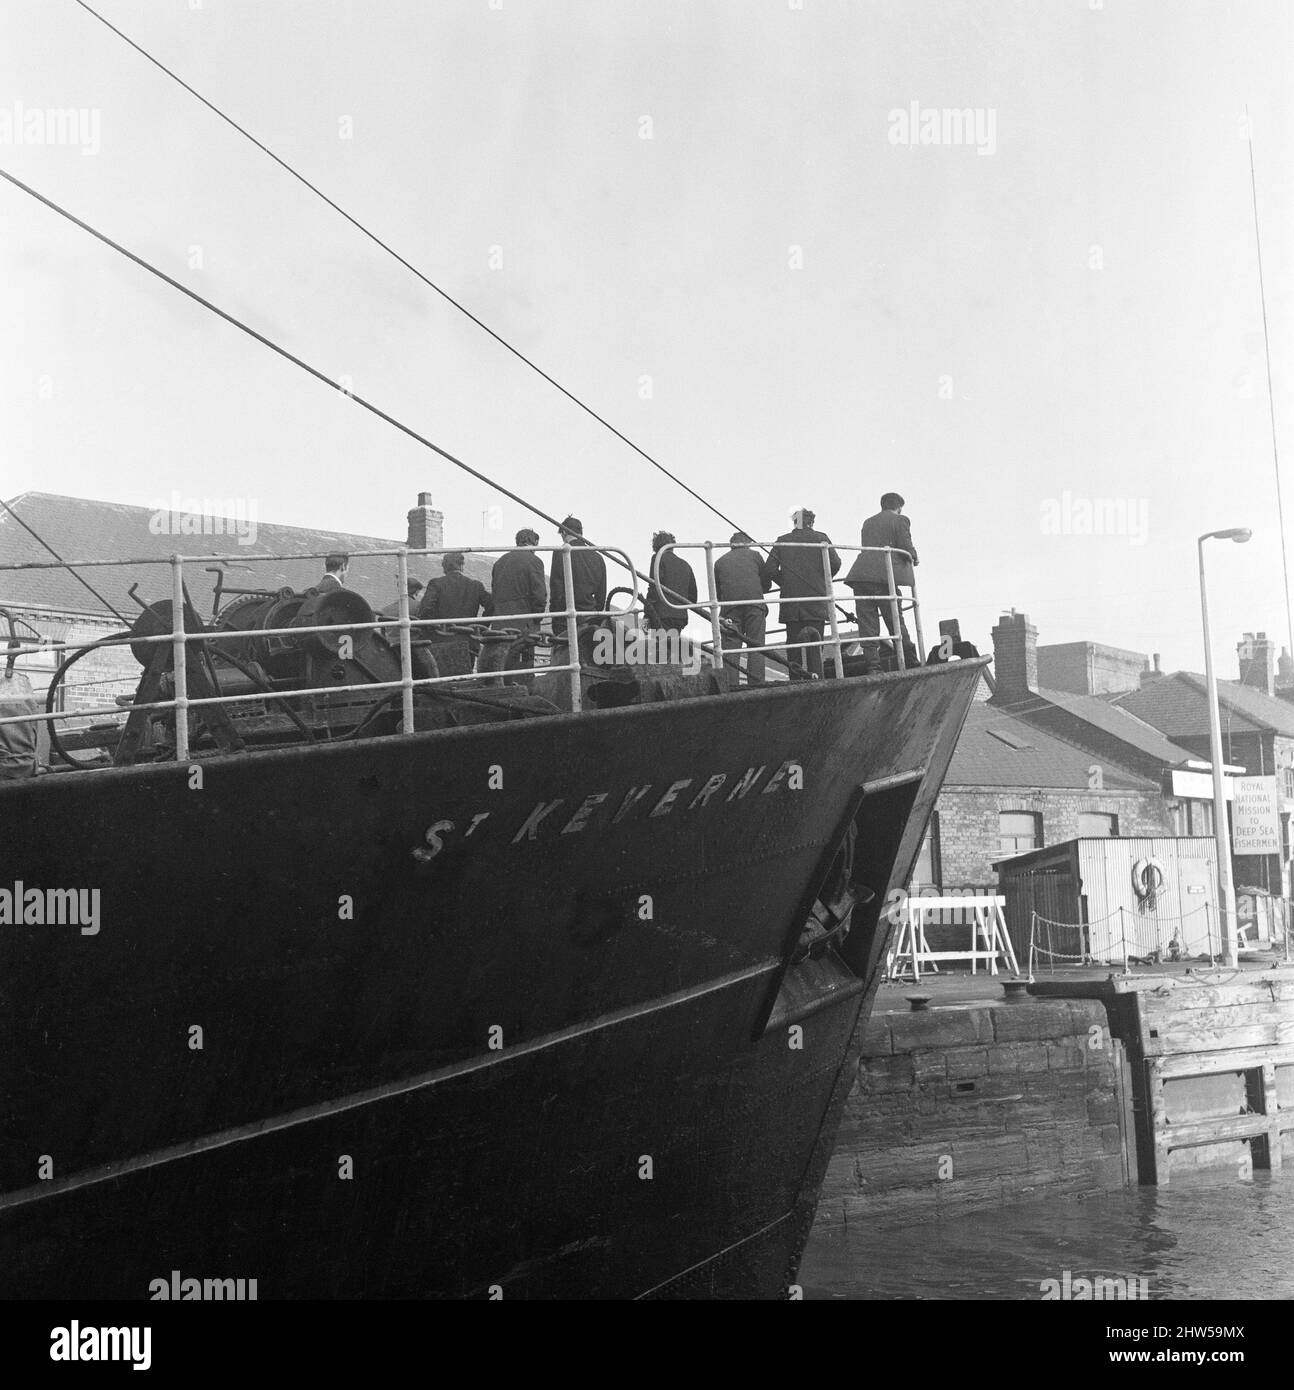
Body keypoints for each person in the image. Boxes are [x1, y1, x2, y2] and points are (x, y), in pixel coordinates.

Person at [844, 492, 919, 670]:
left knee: (867, 624)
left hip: (861, 576)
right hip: (884, 578)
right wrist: (914, 557)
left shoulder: (868, 522)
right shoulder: (900, 520)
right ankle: (909, 660)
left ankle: (873, 666)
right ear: (899, 507)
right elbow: (905, 545)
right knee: (895, 620)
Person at [762, 508, 839, 678]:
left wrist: (785, 582)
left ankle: (795, 680)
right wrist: (822, 579)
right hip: (816, 599)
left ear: (794, 523)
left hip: (792, 601)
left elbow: (769, 569)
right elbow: (835, 563)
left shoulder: (782, 541)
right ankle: (816, 677)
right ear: (811, 522)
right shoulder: (821, 538)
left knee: (794, 645)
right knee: (816, 641)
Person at [548, 515, 607, 666]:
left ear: (563, 533)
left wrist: (556, 615)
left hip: (566, 617)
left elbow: (557, 589)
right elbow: (602, 594)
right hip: (589, 616)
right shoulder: (597, 557)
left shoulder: (561, 553)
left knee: (565, 660)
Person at [490, 528, 547, 683]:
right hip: (524, 624)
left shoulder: (500, 562)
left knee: (502, 665)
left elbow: (494, 592)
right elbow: (539, 595)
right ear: (534, 542)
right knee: (524, 667)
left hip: (500, 623)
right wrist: (538, 616)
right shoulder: (534, 561)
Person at [714, 532, 769, 684]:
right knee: (756, 645)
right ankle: (756, 683)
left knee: (731, 647)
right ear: (747, 542)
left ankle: (732, 685)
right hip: (754, 606)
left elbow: (718, 593)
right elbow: (766, 584)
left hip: (730, 608)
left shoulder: (719, 562)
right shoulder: (756, 556)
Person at [417, 552, 492, 656]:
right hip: (469, 640)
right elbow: (492, 605)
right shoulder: (475, 585)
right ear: (462, 566)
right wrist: (480, 626)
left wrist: (431, 629)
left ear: (444, 567)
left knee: (440, 672)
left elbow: (425, 609)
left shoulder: (436, 584)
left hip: (440, 639)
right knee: (467, 671)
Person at [643, 531, 697, 636]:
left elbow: (654, 588)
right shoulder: (685, 564)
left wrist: (647, 614)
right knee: (672, 647)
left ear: (655, 546)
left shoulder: (657, 558)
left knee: (661, 649)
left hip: (662, 615)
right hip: (680, 616)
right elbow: (692, 598)